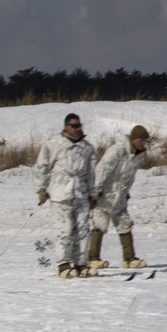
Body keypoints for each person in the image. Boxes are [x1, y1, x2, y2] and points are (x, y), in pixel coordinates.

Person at [34, 113, 98, 278]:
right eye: (73, 126)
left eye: (79, 126)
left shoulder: (87, 147)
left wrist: (93, 193)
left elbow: (91, 173)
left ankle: (81, 264)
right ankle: (64, 264)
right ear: (66, 127)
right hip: (60, 192)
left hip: (81, 193)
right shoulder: (54, 144)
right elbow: (42, 166)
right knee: (65, 229)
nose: (77, 129)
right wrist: (41, 188)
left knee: (83, 229)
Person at [89, 125, 151, 269]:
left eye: (145, 140)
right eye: (142, 140)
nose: (144, 143)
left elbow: (129, 175)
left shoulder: (136, 154)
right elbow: (102, 169)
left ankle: (129, 258)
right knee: (100, 224)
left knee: (124, 223)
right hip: (105, 195)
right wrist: (96, 191)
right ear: (134, 138)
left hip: (119, 196)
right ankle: (92, 258)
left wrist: (126, 191)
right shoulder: (117, 150)